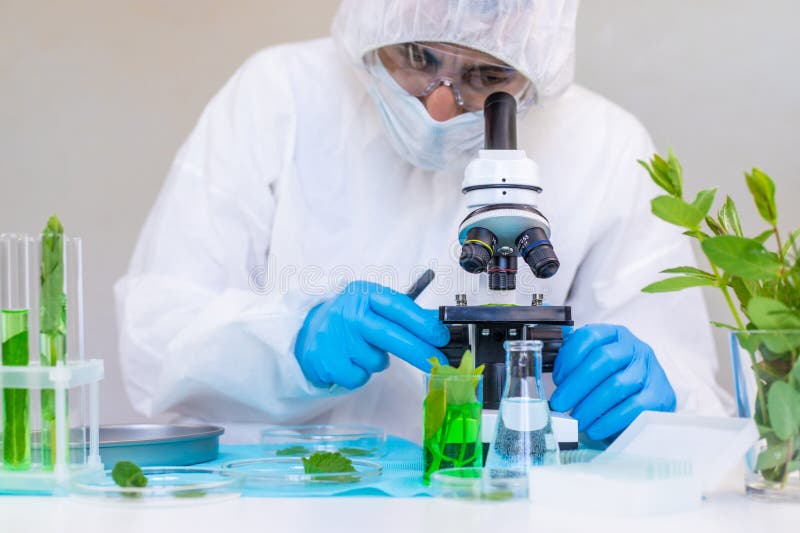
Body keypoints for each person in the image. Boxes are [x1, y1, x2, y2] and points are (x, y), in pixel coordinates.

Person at [115, 0, 730, 443]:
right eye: (416, 55)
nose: (440, 105)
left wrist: (650, 404)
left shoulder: (607, 147)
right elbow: (154, 341)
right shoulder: (279, 97)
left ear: (535, 62)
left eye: (488, 76)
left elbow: (690, 401)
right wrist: (290, 343)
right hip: (289, 503)